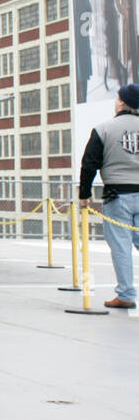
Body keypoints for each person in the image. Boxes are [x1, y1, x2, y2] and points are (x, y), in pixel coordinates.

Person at [78, 83, 139, 309]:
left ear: (122, 101)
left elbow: (89, 164)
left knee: (121, 247)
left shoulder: (104, 129)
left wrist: (84, 195)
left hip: (117, 195)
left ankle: (125, 295)